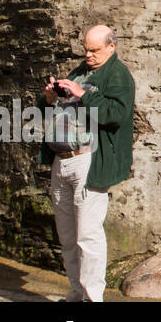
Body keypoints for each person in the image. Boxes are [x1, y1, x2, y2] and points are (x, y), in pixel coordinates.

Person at [40, 25, 135, 302]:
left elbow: (116, 114)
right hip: (62, 161)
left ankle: (93, 299)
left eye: (94, 50)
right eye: (86, 49)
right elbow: (58, 112)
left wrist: (83, 94)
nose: (88, 55)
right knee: (67, 236)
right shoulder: (80, 71)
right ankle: (77, 292)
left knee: (88, 235)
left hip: (88, 161)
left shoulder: (119, 75)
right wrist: (49, 98)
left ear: (111, 47)